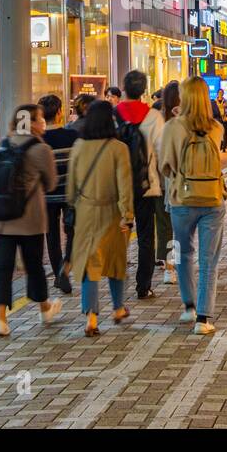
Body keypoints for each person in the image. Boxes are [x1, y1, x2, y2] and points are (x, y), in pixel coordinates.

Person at [0, 104, 63, 336]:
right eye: (40, 120)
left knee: (3, 267)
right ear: (33, 123)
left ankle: (0, 320)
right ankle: (44, 309)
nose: (43, 124)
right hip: (29, 220)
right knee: (34, 265)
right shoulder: (41, 149)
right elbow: (51, 184)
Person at [158, 76, 227, 335]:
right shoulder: (216, 128)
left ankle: (188, 307)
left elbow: (165, 165)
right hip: (213, 198)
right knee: (209, 260)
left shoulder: (173, 127)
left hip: (181, 200)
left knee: (183, 253)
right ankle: (204, 318)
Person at [64, 101, 135, 336]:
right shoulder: (118, 148)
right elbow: (125, 185)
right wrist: (127, 214)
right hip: (111, 212)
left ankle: (91, 318)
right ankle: (117, 308)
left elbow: (71, 185)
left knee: (88, 264)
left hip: (85, 211)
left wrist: (75, 206)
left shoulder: (78, 146)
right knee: (115, 261)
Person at [116, 70, 165, 300]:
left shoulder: (113, 115)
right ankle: (143, 286)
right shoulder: (153, 117)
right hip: (147, 185)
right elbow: (162, 150)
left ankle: (116, 288)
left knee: (119, 234)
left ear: (123, 88)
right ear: (144, 90)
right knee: (146, 237)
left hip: (117, 187)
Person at [38, 94, 79, 289]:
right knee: (72, 231)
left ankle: (58, 275)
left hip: (47, 196)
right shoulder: (72, 136)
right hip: (70, 193)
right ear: (61, 112)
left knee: (51, 235)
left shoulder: (39, 141)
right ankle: (66, 267)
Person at [151, 80, 181, 286]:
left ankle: (169, 267)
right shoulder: (186, 120)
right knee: (179, 227)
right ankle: (174, 265)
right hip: (181, 183)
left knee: (164, 227)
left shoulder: (157, 120)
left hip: (160, 181)